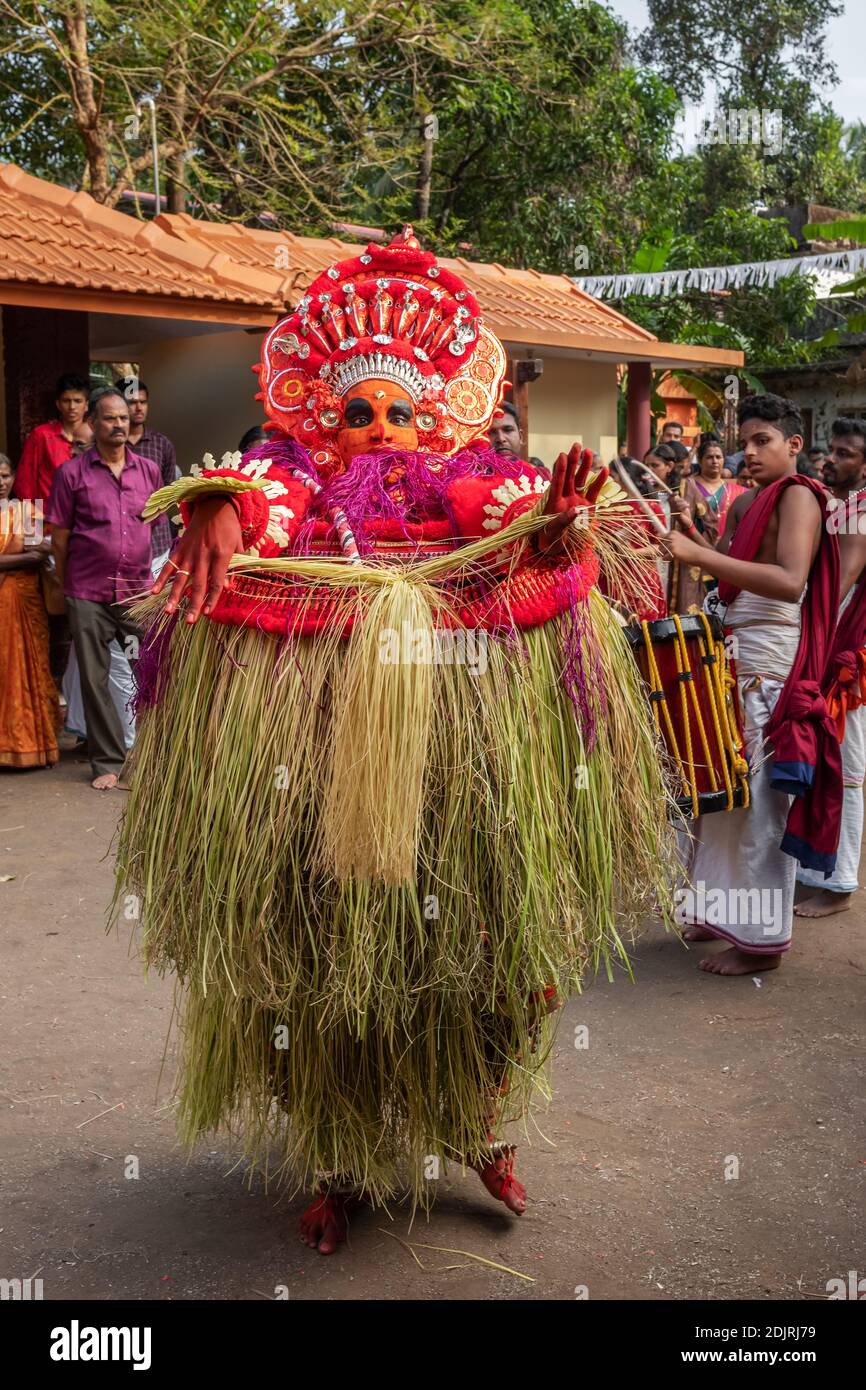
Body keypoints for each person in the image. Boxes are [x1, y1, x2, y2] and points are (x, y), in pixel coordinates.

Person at [117, 226, 677, 1254]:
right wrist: (217, 512)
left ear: (434, 415)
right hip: (320, 751)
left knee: (482, 953)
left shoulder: (466, 476)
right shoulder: (294, 475)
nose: (379, 428)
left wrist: (549, 525)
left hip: (455, 745)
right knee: (317, 956)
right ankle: (336, 1159)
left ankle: (478, 1129)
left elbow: (511, 516)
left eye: (398, 412)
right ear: (327, 415)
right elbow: (258, 501)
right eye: (357, 412)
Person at [664, 393, 841, 975]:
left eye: (763, 440)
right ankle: (715, 910)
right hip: (737, 656)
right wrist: (696, 543)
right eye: (746, 441)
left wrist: (698, 556)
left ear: (794, 444)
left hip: (767, 660)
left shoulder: (797, 497)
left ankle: (761, 942)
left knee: (760, 798)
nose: (750, 451)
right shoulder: (754, 501)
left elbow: (790, 581)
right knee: (722, 791)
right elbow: (731, 572)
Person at [46, 388, 160, 790]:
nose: (118, 425)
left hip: (135, 593)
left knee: (146, 669)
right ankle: (107, 762)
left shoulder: (148, 470)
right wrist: (64, 583)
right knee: (94, 678)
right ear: (92, 423)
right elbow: (60, 537)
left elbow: (157, 526)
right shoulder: (72, 474)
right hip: (88, 592)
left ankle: (154, 754)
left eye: (124, 419)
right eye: (110, 418)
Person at [796, 417, 866, 918]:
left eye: (846, 453)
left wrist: (807, 636)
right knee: (830, 757)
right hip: (839, 642)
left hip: (850, 653)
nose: (833, 459)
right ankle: (820, 868)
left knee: (847, 767)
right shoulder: (844, 505)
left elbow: (838, 585)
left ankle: (840, 882)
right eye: (833, 450)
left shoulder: (860, 510)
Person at [0, 455, 59, 768]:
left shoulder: (27, 509)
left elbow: (40, 554)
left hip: (23, 599)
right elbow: (31, 553)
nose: (1, 482)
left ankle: (33, 745)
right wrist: (22, 557)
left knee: (29, 666)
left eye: (6, 475)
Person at [668, 434, 745, 613]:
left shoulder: (737, 490)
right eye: (709, 457)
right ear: (700, 460)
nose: (714, 461)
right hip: (695, 554)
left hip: (727, 555)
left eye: (718, 457)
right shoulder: (688, 487)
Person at [115, 377, 177, 567]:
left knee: (155, 594)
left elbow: (169, 491)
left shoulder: (161, 444)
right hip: (117, 539)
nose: (139, 407)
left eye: (143, 402)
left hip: (157, 540)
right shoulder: (108, 445)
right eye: (132, 402)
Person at [13, 373, 90, 505]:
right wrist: (33, 519)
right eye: (66, 401)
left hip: (86, 518)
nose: (72, 407)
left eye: (78, 401)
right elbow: (24, 482)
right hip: (47, 518)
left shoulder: (96, 436)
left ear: (86, 405)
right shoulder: (42, 435)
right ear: (58, 404)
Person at [487, 400, 548, 473]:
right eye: (492, 432)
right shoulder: (473, 481)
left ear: (521, 436)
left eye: (508, 430)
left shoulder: (540, 478)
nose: (500, 438)